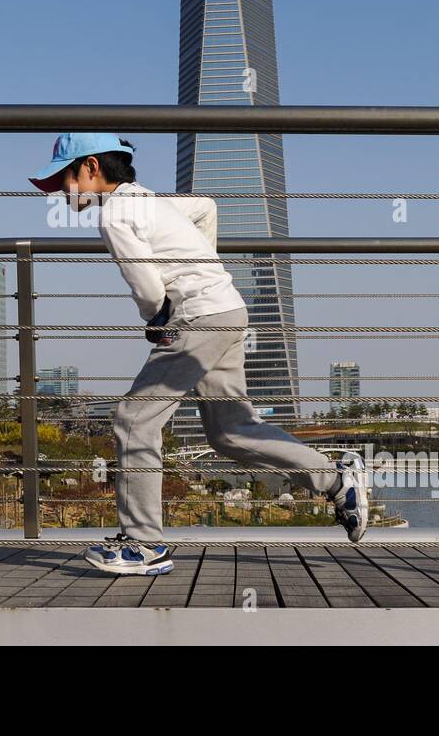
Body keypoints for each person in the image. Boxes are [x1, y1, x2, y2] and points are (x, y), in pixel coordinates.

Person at [28, 133, 369, 576]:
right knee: (232, 430)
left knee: (134, 419)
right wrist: (204, 271)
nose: (61, 191)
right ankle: (337, 480)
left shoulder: (114, 216)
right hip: (228, 310)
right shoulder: (149, 201)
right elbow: (206, 206)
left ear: (91, 168)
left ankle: (144, 544)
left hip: (197, 320)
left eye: (65, 178)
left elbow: (148, 287)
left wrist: (158, 318)